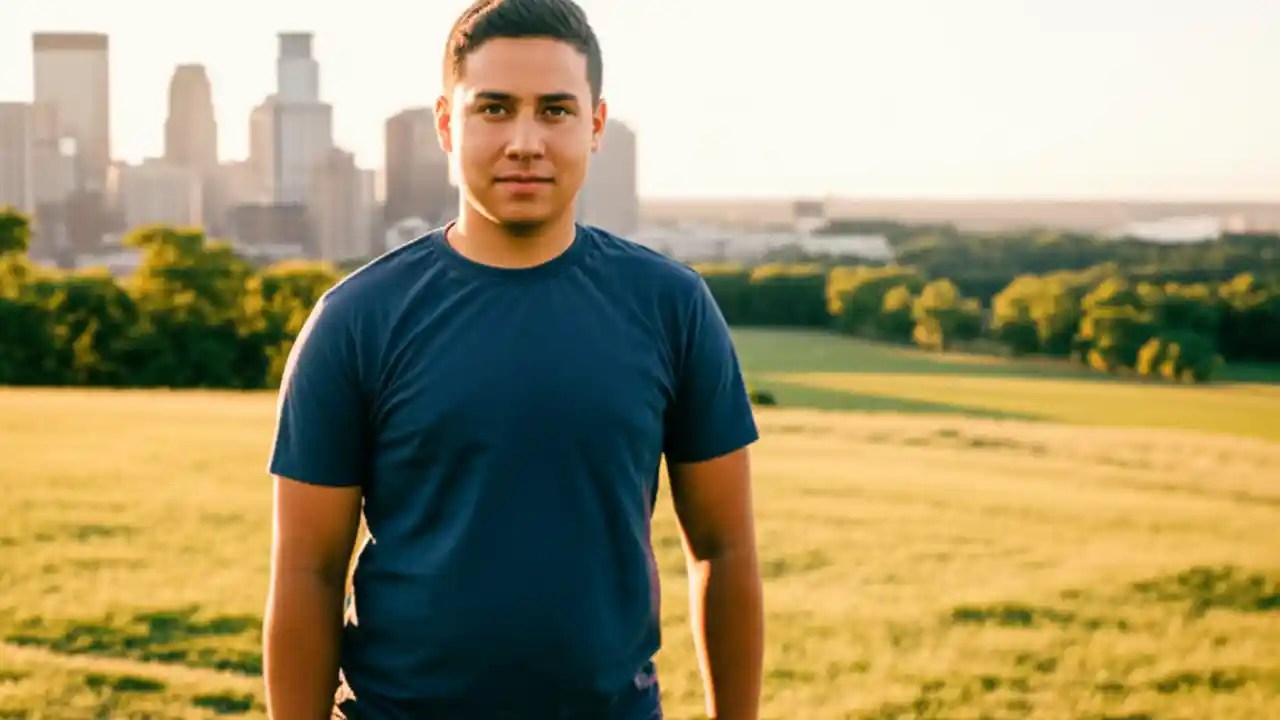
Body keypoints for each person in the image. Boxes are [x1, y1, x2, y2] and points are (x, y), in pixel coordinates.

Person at [262, 0, 764, 717]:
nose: (525, 141)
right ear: (446, 122)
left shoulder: (671, 306)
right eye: (494, 109)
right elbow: (308, 572)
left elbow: (724, 548)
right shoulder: (356, 320)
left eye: (555, 111)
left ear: (595, 126)